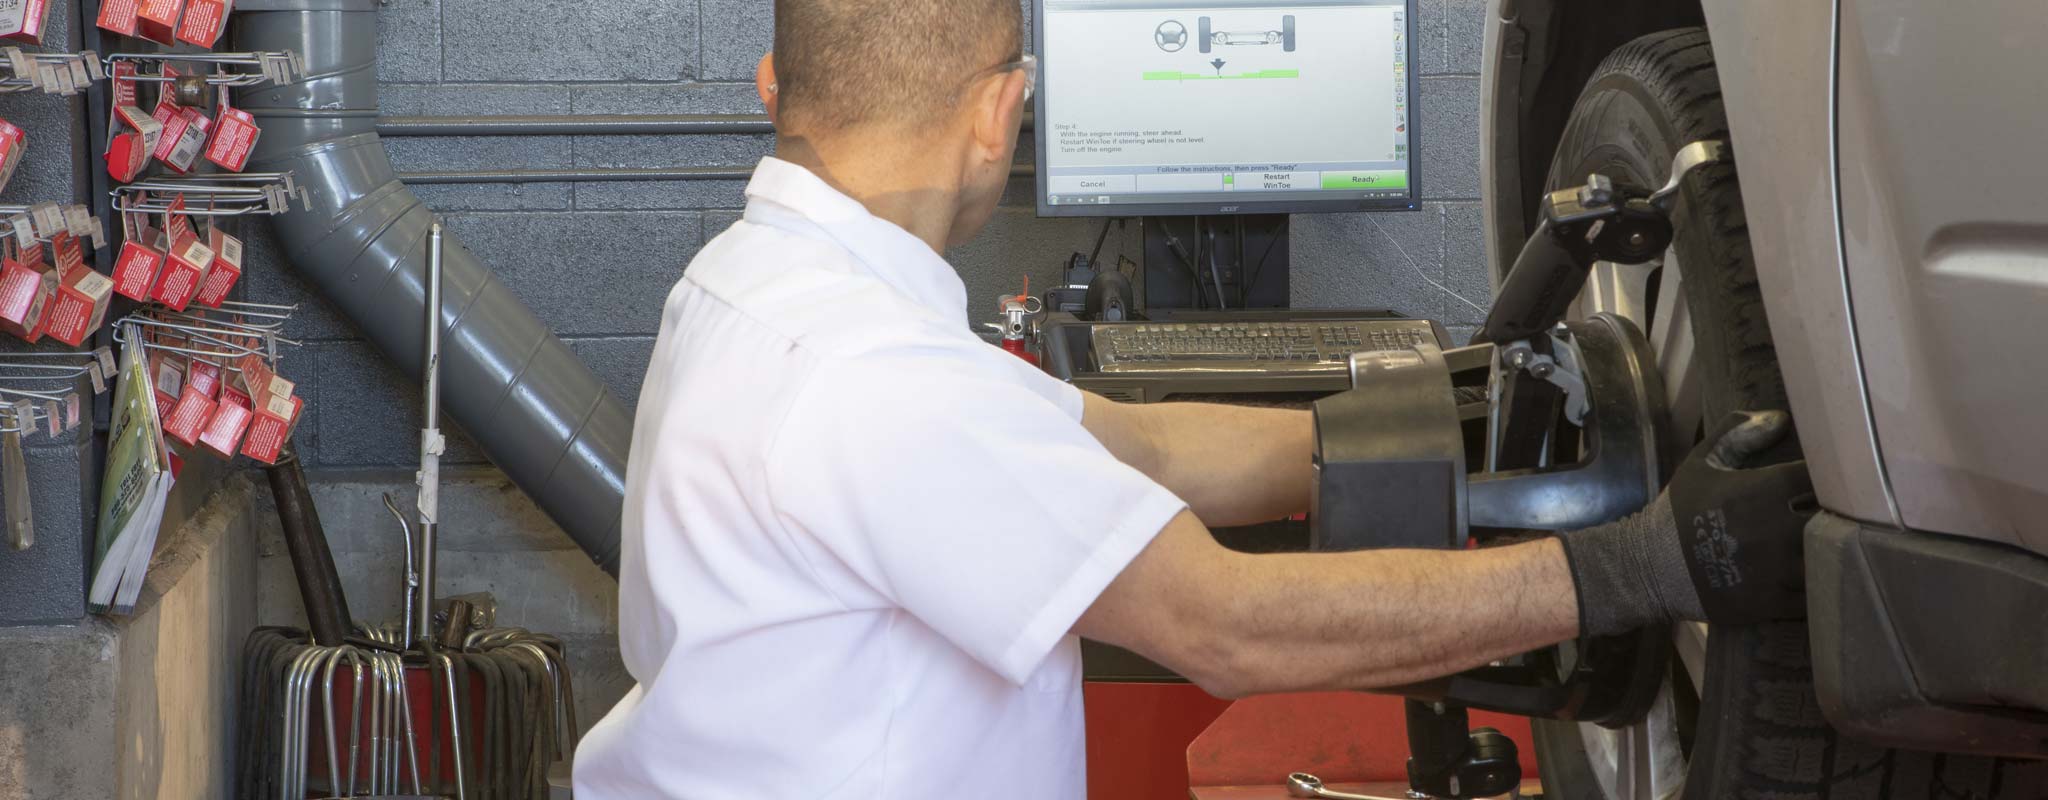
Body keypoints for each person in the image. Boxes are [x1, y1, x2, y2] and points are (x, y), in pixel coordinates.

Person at [570, 0, 1813, 797]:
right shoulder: (877, 380)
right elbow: (1227, 626)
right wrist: (1639, 567)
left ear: (773, 85)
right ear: (1003, 112)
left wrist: (1450, 430)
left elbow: (1138, 440)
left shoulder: (755, 282)